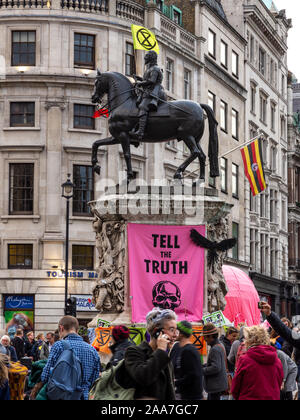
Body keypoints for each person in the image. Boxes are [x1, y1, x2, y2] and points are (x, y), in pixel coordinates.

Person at [31, 316, 101, 400]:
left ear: (61, 328)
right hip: (83, 396)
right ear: (77, 330)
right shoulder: (92, 350)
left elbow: (45, 375)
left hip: (61, 395)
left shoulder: (59, 345)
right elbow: (95, 378)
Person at [124, 308, 177, 400]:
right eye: (171, 330)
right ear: (157, 332)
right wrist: (160, 350)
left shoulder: (164, 356)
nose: (175, 335)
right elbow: (143, 376)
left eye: (176, 331)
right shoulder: (134, 352)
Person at [231, 325, 283, 400]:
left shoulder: (244, 360)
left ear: (249, 341)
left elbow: (235, 387)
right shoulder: (276, 360)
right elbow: (279, 382)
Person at [129, 51, 167, 141]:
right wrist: (139, 79)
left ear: (151, 58)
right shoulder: (150, 69)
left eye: (146, 57)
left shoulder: (155, 69)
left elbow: (152, 81)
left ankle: (141, 132)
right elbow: (148, 80)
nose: (145, 59)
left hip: (156, 92)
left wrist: (139, 84)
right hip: (149, 91)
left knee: (143, 107)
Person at [171, 320, 203, 400]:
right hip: (180, 393)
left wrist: (175, 382)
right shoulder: (176, 347)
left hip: (190, 396)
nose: (174, 333)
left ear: (181, 333)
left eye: (176, 331)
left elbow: (192, 376)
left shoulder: (190, 351)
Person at [202, 323, 228, 400]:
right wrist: (204, 365)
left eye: (205, 337)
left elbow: (216, 367)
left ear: (210, 336)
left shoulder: (215, 349)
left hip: (215, 386)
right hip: (218, 385)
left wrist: (201, 370)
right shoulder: (220, 345)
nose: (205, 339)